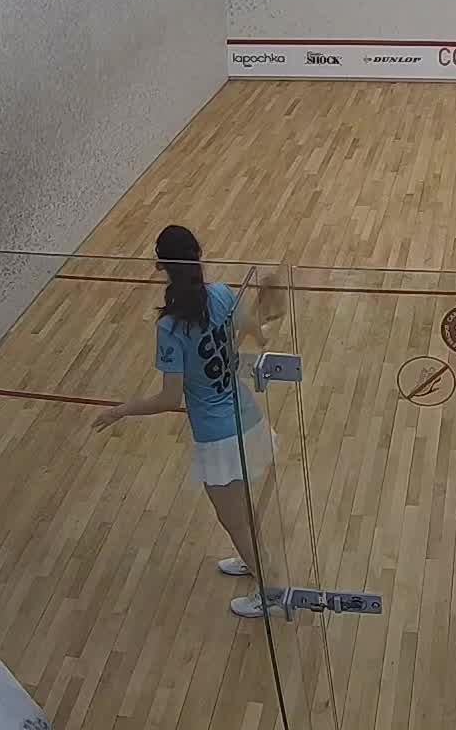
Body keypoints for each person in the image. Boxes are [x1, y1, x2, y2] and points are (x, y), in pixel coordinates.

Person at [93, 224, 280, 618]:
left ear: (161, 265)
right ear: (198, 255)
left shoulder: (170, 328)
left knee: (234, 520)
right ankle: (253, 562)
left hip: (218, 437)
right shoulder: (222, 294)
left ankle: (269, 592)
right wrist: (265, 310)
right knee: (241, 509)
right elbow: (251, 335)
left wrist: (121, 410)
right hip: (247, 418)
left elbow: (169, 398)